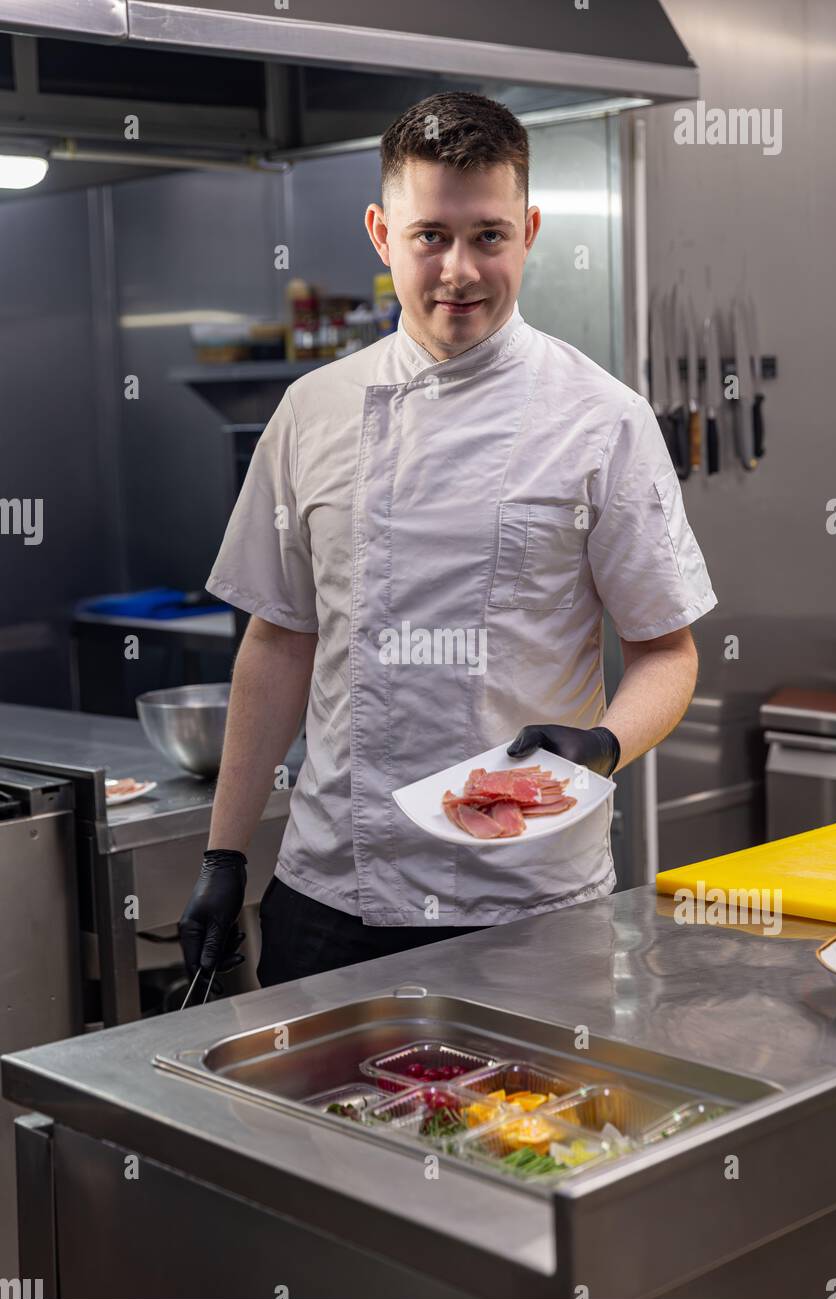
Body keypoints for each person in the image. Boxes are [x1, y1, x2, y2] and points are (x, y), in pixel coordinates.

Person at [179, 91, 716, 991]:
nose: (459, 271)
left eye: (489, 236)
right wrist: (224, 859)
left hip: (528, 902)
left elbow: (668, 651)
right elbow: (278, 642)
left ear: (530, 230)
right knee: (315, 1131)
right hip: (330, 890)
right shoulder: (311, 411)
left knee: (528, 1135)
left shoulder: (602, 421)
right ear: (381, 234)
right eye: (430, 235)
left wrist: (603, 746)